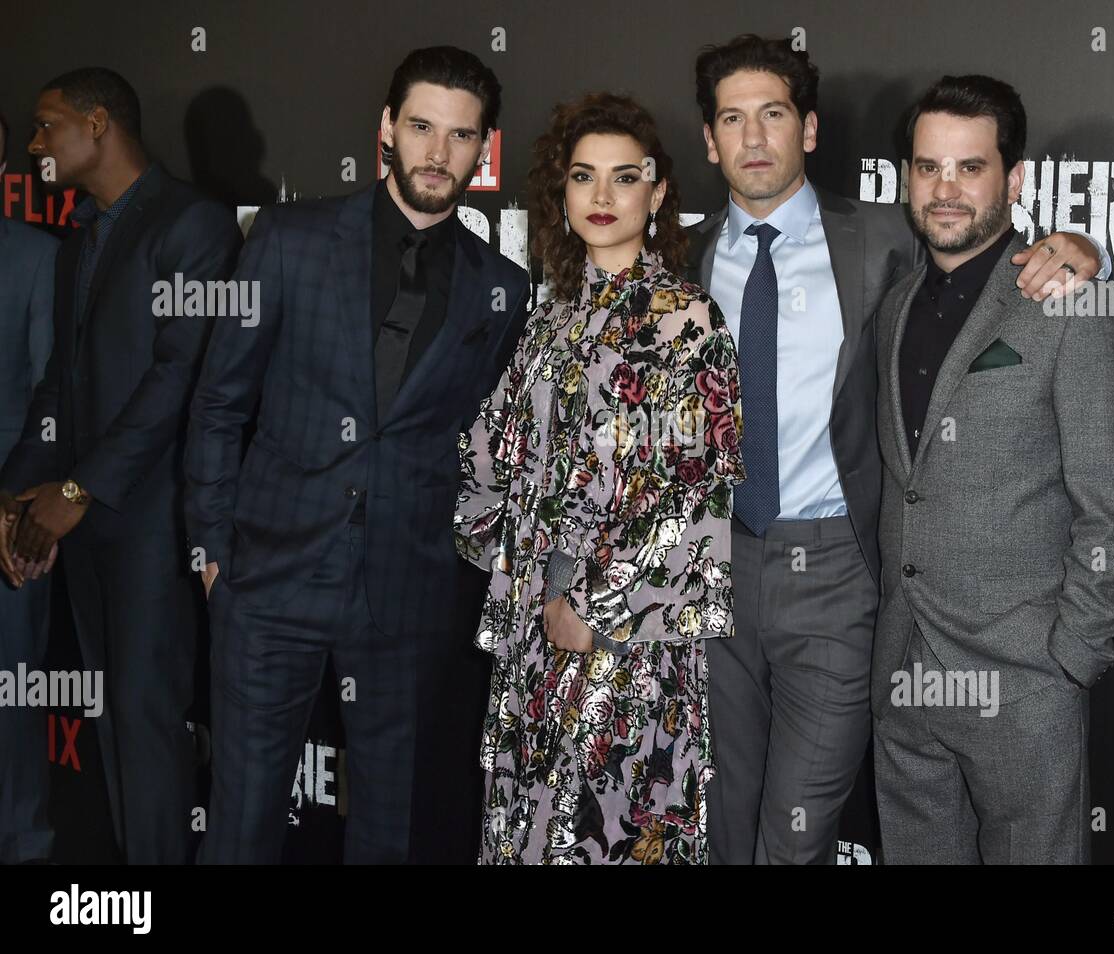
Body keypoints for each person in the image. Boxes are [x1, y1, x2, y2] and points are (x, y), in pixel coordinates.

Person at [685, 33, 1111, 864]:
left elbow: (982, 262)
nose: (754, 138)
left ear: (808, 128)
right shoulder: (682, 257)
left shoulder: (882, 241)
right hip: (713, 564)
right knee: (721, 817)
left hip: (840, 573)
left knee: (797, 830)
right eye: (731, 119)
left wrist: (1078, 248)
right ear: (708, 139)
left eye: (772, 114)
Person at [184, 46, 529, 863]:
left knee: (388, 829)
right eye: (420, 127)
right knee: (240, 824)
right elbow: (218, 402)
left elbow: (483, 446)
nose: (436, 153)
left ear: (484, 150)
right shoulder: (289, 239)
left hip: (406, 597)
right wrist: (212, 551)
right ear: (385, 129)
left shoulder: (501, 288)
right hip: (266, 581)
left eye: (459, 135)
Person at [872, 75, 1114, 864]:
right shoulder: (894, 307)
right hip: (904, 669)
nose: (947, 190)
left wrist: (1072, 656)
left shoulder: (1068, 304)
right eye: (928, 168)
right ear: (906, 179)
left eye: (971, 167)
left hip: (1024, 678)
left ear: (1015, 179)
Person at [455, 92, 744, 864]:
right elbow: (491, 449)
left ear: (657, 195)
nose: (604, 197)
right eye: (585, 178)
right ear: (563, 194)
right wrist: (516, 562)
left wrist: (596, 605)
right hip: (532, 627)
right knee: (528, 828)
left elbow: (696, 488)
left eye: (626, 178)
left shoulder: (688, 321)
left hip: (627, 635)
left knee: (606, 830)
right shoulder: (548, 320)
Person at [0, 68, 243, 864]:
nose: (34, 146)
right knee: (113, 734)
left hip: (155, 534)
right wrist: (15, 495)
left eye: (46, 126)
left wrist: (76, 488)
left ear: (97, 124)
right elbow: (57, 389)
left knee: (145, 730)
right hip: (88, 536)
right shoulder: (80, 239)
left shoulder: (194, 224)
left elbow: (177, 379)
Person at [0, 105, 60, 864]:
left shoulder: (37, 258)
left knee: (12, 703)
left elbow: (55, 404)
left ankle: (23, 848)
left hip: (10, 518)